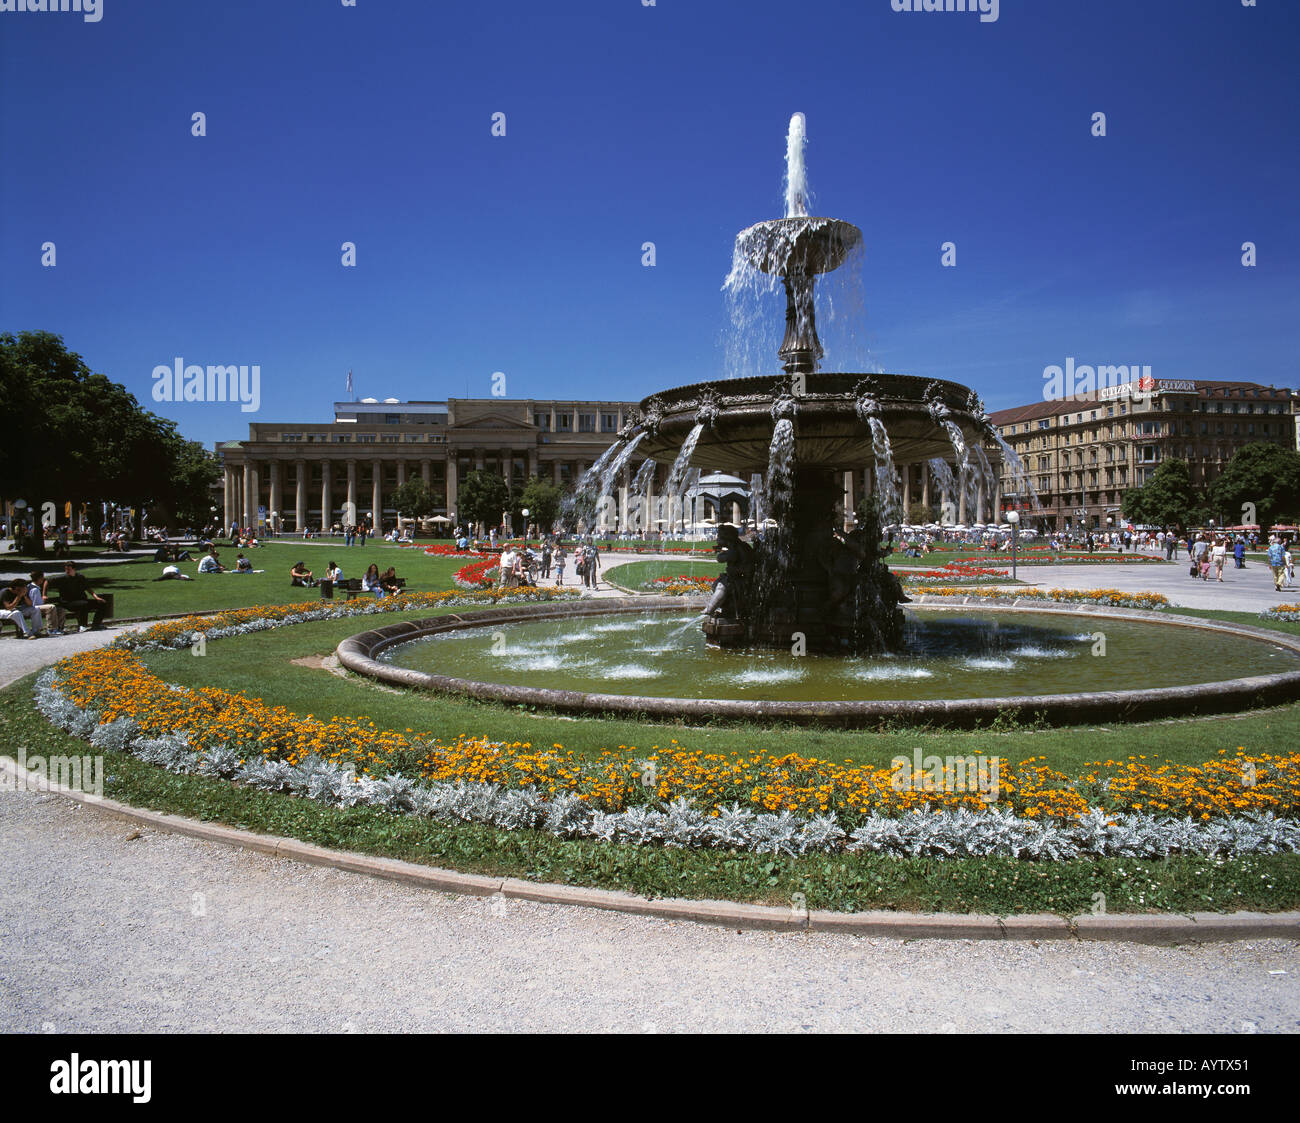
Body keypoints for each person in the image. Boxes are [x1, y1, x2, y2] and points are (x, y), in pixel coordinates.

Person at [57, 562, 108, 630]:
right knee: (84, 604)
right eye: (65, 569)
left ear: (74, 569)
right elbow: (47, 581)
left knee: (102, 603)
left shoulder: (80, 577)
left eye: (68, 569)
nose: (67, 571)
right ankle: (82, 625)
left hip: (81, 601)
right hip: (68, 603)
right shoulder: (62, 578)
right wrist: (44, 595)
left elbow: (88, 588)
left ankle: (96, 624)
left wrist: (96, 597)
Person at [28, 570, 66, 635]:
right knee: (51, 607)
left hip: (39, 607)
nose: (43, 579)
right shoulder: (34, 589)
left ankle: (59, 628)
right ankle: (51, 629)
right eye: (42, 578)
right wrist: (44, 600)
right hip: (34, 608)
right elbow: (35, 604)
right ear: (39, 578)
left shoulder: (36, 587)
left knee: (60, 609)